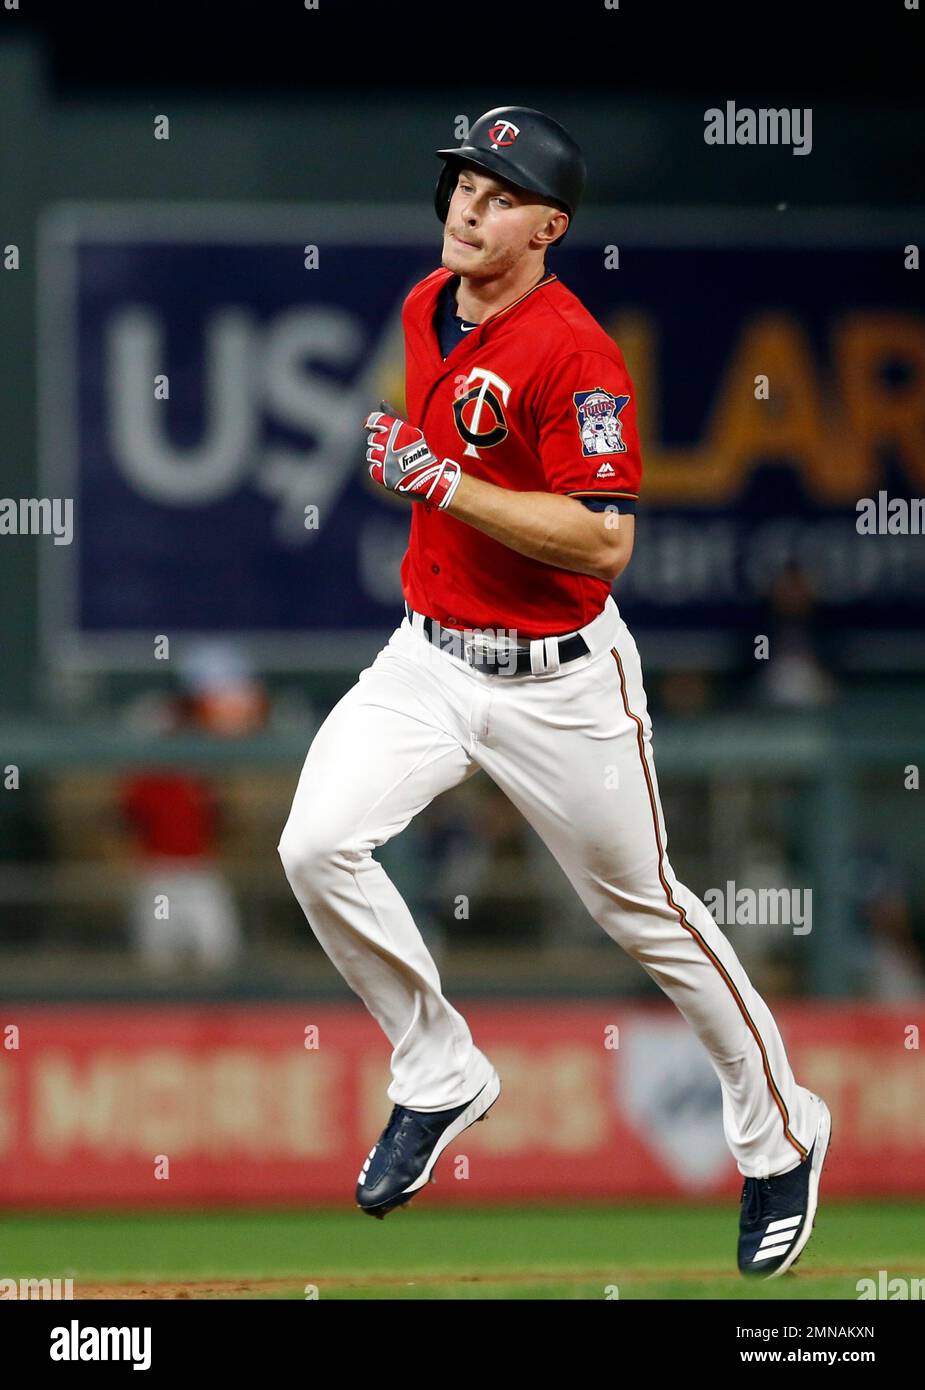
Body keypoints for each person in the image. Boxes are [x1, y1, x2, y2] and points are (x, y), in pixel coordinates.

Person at [278, 106, 830, 1279]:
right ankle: (440, 1071)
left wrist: (444, 481)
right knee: (316, 842)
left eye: (497, 193)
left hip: (560, 679)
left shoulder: (574, 351)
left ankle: (781, 1136)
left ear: (549, 226)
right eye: (461, 184)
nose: (467, 206)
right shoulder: (429, 306)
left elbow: (603, 540)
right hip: (427, 657)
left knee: (649, 913)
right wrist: (444, 487)